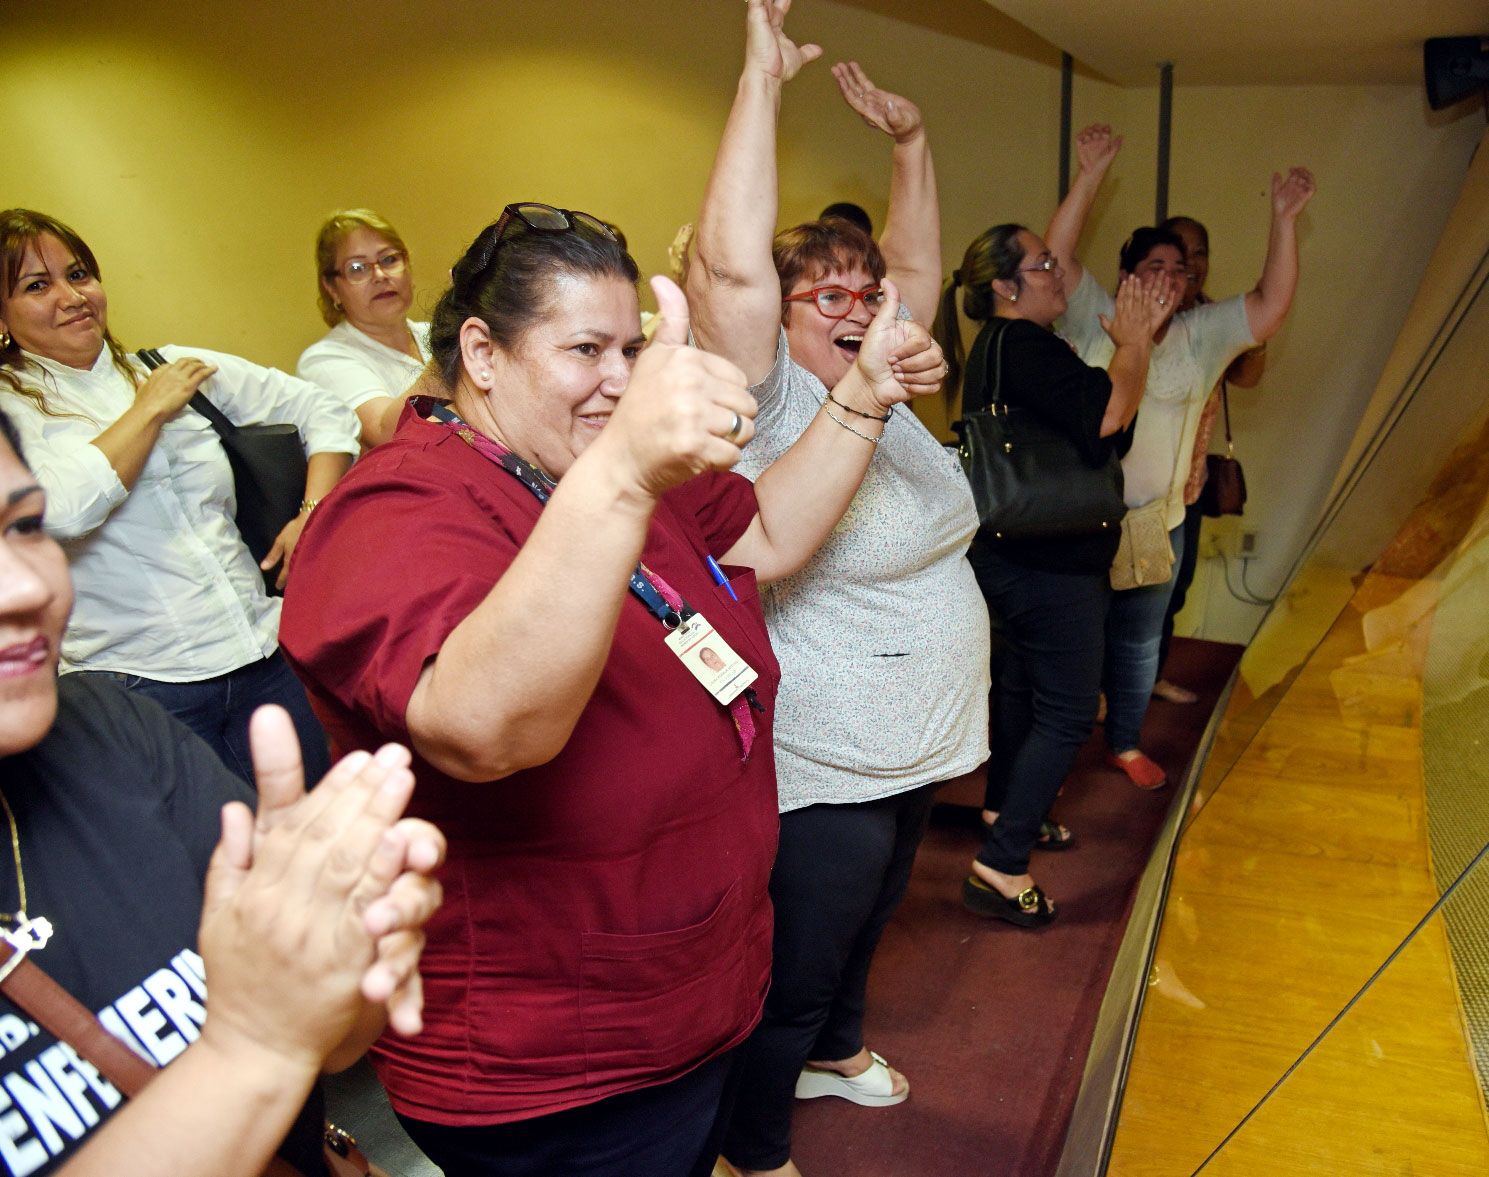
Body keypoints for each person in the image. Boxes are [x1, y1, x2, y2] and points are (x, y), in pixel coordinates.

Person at [278, 195, 944, 1177]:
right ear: (483, 352)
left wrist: (862, 397)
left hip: (690, 1006)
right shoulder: (398, 508)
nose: (616, 382)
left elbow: (769, 531)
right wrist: (627, 471)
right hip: (554, 1067)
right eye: (585, 350)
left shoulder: (586, 463)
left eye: (628, 351)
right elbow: (483, 728)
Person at [0, 407, 444, 1177]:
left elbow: (337, 1037)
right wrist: (257, 1045)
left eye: (26, 525)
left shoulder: (110, 730)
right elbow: (276, 1035)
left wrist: (346, 950)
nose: (27, 585)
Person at [687, 6, 976, 1174]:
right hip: (829, 737)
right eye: (831, 299)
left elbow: (914, 272)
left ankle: (838, 1048)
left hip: (920, 727)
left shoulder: (887, 380)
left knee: (866, 926)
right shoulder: (767, 391)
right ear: (783, 312)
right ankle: (753, 1149)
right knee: (798, 959)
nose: (860, 313)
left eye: (868, 297)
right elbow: (727, 262)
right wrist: (757, 85)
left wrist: (911, 148)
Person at [0, 209, 358, 786]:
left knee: (322, 829)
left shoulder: (165, 366)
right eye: (37, 286)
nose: (72, 297)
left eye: (80, 274)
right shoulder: (11, 414)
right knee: (203, 865)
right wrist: (149, 409)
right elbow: (62, 509)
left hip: (263, 653)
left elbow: (323, 409)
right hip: (138, 686)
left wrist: (312, 513)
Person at [1045, 126, 1315, 788]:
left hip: (1155, 518)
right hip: (1079, 516)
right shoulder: (1092, 316)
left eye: (1179, 269)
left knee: (1138, 640)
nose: (1169, 279)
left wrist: (1282, 219)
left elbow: (1269, 305)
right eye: (1153, 268)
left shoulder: (1200, 335)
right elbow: (1052, 260)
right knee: (1072, 642)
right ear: (1127, 276)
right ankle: (1057, 741)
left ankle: (1126, 741)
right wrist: (1089, 176)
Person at [932, 225, 1172, 926]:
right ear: (1004, 286)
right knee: (1067, 711)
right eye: (1041, 263)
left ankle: (1008, 807)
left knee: (1023, 689)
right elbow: (1108, 415)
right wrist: (1133, 346)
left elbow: (1100, 425)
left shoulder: (1001, 347)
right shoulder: (1024, 344)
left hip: (1016, 551)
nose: (1056, 271)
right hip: (1048, 561)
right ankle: (1000, 866)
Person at [1149, 214, 1267, 705]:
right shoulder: (1143, 316)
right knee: (1124, 594)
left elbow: (1248, 376)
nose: (1191, 264)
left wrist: (1261, 323)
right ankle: (1104, 689)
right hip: (1136, 487)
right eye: (1180, 253)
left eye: (1200, 253)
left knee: (1176, 587)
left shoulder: (1217, 318)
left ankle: (1150, 676)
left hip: (1190, 482)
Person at [297, 209, 432, 450]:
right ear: (332, 288)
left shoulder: (431, 333)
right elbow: (386, 432)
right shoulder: (324, 360)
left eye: (389, 259)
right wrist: (453, 346)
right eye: (357, 268)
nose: (380, 275)